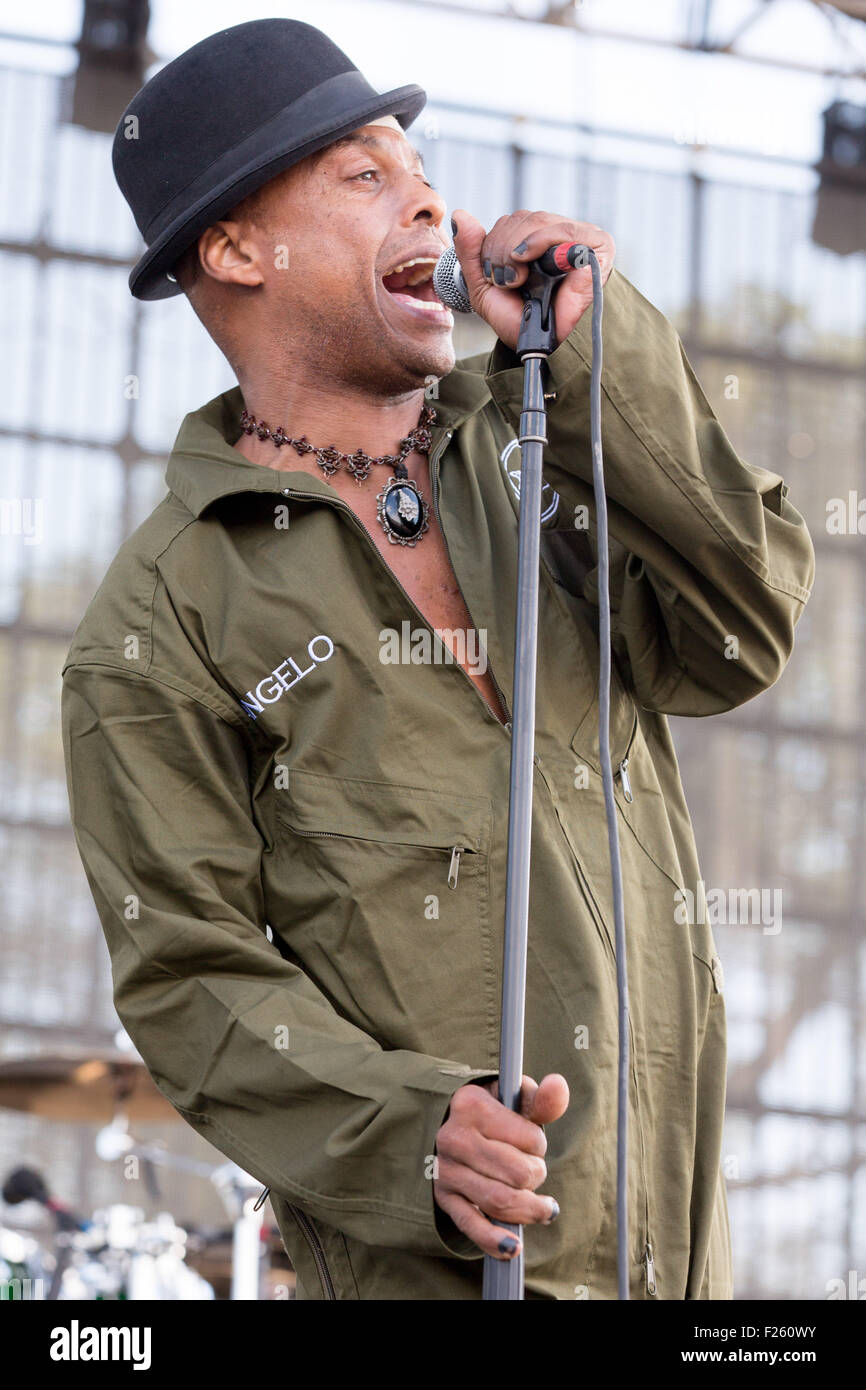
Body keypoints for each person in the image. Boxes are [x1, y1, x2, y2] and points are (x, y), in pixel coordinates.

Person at [60, 18, 815, 1300]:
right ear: (234, 250)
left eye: (419, 168)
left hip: (683, 1273)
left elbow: (739, 630)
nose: (425, 199)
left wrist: (597, 358)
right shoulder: (162, 620)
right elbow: (189, 975)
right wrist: (415, 1133)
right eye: (364, 174)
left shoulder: (544, 444)